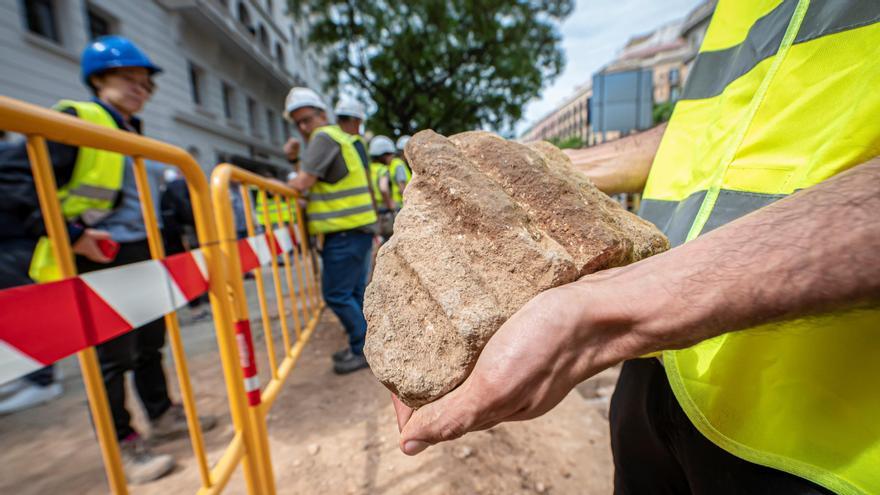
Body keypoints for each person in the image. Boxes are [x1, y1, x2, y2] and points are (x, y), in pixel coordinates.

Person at [390, 3, 880, 495]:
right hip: (663, 370)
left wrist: (608, 312)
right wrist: (540, 166)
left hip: (813, 433)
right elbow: (726, 124)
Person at [0, 35, 216, 484]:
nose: (140, 88)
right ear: (99, 79)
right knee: (113, 358)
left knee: (149, 343)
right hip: (97, 255)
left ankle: (160, 414)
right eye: (129, 79)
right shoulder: (79, 119)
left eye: (145, 83)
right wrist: (73, 235)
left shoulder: (128, 129)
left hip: (136, 250)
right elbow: (15, 180)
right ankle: (122, 445)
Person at [283, 87, 378, 375]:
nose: (303, 127)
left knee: (336, 294)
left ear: (322, 115)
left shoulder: (322, 138)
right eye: (298, 123)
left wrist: (286, 174)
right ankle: (367, 346)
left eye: (307, 120)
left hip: (345, 232)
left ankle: (362, 349)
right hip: (356, 230)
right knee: (354, 292)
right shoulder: (342, 138)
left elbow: (302, 183)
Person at [368, 135, 397, 239]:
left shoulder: (369, 169)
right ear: (383, 155)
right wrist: (390, 205)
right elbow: (383, 188)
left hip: (371, 211)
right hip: (384, 212)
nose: (392, 158)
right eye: (390, 155)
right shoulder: (383, 170)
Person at [390, 135, 412, 209]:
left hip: (397, 203)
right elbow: (402, 187)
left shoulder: (394, 163)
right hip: (401, 205)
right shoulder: (400, 165)